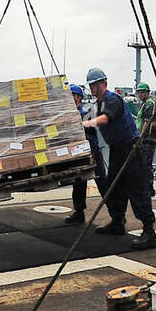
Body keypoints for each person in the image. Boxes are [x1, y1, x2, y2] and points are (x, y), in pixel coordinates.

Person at [82, 68, 156, 249]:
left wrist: (86, 123)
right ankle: (117, 222)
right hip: (116, 149)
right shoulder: (97, 104)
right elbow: (89, 116)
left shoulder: (112, 99)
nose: (92, 88)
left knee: (137, 188)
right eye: (91, 85)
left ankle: (149, 232)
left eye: (94, 84)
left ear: (103, 83)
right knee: (114, 187)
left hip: (130, 149)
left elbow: (105, 119)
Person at [65, 83, 107, 224]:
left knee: (102, 184)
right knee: (78, 184)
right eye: (72, 95)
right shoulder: (65, 117)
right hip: (77, 156)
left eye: (77, 96)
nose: (75, 98)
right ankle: (79, 212)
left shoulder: (85, 113)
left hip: (92, 154)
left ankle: (117, 215)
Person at [135, 83, 156, 181]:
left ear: (147, 93)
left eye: (142, 92)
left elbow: (146, 122)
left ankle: (149, 188)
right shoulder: (145, 104)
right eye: (138, 93)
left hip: (147, 139)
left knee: (146, 164)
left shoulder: (149, 104)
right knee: (144, 163)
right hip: (146, 138)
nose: (140, 95)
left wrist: (140, 137)